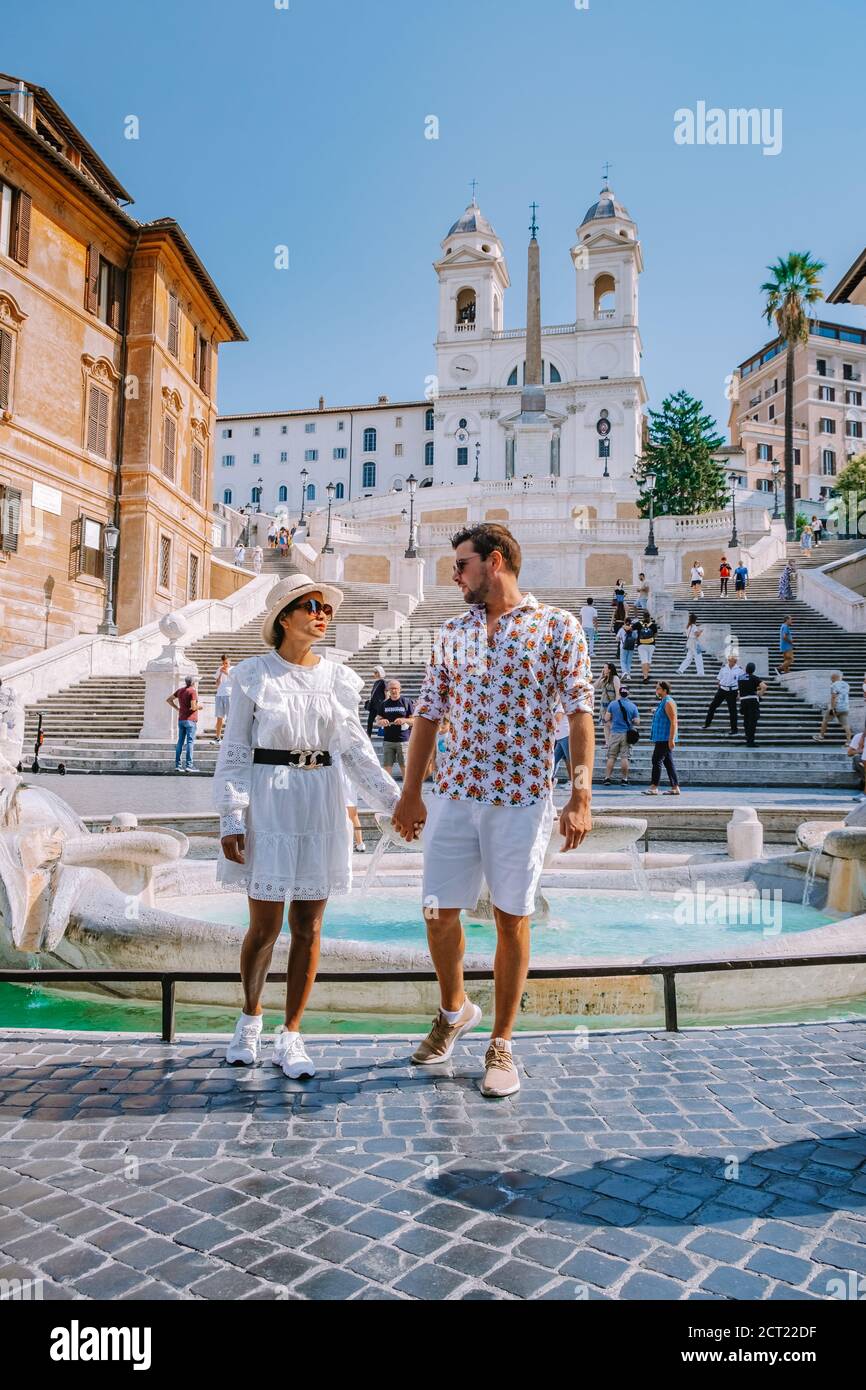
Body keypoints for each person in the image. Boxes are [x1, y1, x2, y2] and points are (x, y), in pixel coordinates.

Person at [391, 522, 594, 1099]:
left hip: (522, 797)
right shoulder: (451, 632)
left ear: (494, 561)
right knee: (437, 910)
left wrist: (580, 795)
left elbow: (580, 715)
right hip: (454, 792)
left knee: (512, 917)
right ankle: (455, 1011)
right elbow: (428, 713)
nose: (454, 575)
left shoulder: (557, 627)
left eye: (461, 564)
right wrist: (411, 791)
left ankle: (502, 1040)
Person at [215, 575, 403, 1075]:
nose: (322, 614)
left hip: (319, 797)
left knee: (309, 925)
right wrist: (232, 816)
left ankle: (292, 1034)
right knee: (263, 926)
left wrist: (395, 803)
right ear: (284, 616)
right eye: (311, 606)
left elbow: (358, 752)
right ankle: (249, 1019)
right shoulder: (253, 675)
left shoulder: (338, 678)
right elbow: (234, 751)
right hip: (269, 797)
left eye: (326, 609)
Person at [643, 680, 680, 796]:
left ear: (664, 690)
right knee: (668, 763)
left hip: (665, 738)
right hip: (661, 737)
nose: (656, 690)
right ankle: (675, 787)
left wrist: (671, 739)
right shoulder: (663, 701)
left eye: (658, 688)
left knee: (656, 760)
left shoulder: (668, 702)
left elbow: (674, 722)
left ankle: (654, 787)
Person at [376, 678, 414, 778]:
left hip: (403, 741)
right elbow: (378, 721)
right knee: (386, 769)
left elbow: (414, 721)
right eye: (391, 688)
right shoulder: (384, 704)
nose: (394, 690)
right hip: (388, 741)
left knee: (405, 768)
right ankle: (388, 792)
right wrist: (381, 721)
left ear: (400, 689)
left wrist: (404, 720)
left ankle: (406, 791)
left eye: (396, 688)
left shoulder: (406, 702)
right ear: (388, 690)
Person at [603, 685, 640, 785]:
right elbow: (637, 721)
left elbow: (606, 719)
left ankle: (607, 778)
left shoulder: (612, 704)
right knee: (624, 757)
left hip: (614, 733)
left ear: (619, 693)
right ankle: (624, 779)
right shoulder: (633, 706)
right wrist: (631, 720)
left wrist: (612, 724)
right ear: (628, 694)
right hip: (627, 735)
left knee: (611, 757)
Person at [704, 652, 746, 735]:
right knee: (712, 706)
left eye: (732, 661)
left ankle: (734, 729)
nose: (730, 662)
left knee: (732, 711)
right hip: (722, 689)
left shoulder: (740, 670)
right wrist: (719, 688)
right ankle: (707, 724)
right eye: (729, 660)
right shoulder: (723, 668)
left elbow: (742, 683)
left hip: (732, 691)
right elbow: (719, 679)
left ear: (735, 662)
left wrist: (739, 692)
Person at [167, 676, 200, 772]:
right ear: (193, 682)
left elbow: (169, 700)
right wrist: (200, 707)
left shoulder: (180, 690)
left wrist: (177, 708)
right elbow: (193, 707)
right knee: (190, 742)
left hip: (181, 719)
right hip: (190, 720)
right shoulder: (192, 691)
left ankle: (178, 765)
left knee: (180, 742)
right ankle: (189, 765)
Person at [814, 672, 851, 743]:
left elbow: (833, 697)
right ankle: (849, 741)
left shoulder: (833, 685)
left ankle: (821, 736)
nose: (831, 680)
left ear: (834, 678)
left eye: (831, 679)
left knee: (825, 720)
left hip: (837, 707)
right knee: (845, 724)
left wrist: (833, 708)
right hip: (845, 707)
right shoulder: (847, 685)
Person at [738, 662, 768, 747]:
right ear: (753, 670)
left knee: (746, 721)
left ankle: (748, 740)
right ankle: (751, 742)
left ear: (746, 668)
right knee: (752, 721)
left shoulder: (740, 678)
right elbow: (765, 686)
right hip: (752, 701)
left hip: (743, 701)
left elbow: (739, 691)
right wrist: (759, 694)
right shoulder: (754, 678)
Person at [594, 662, 621, 747]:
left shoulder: (615, 678)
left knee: (611, 723)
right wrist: (601, 676)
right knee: (605, 724)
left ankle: (614, 742)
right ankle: (607, 743)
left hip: (611, 704)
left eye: (605, 668)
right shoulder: (604, 679)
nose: (603, 669)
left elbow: (618, 692)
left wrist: (616, 705)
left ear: (609, 669)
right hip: (603, 705)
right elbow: (594, 686)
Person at [677, 612, 704, 676]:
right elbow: (696, 635)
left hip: (689, 643)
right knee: (698, 658)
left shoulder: (688, 626)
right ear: (695, 620)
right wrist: (701, 631)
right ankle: (700, 673)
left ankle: (680, 670)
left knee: (689, 658)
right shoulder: (694, 626)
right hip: (695, 643)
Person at [364, 665, 388, 738]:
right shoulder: (376, 682)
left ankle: (386, 734)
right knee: (370, 721)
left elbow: (386, 693)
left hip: (380, 705)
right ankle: (368, 736)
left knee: (382, 720)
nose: (374, 674)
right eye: (374, 672)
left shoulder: (383, 682)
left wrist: (386, 703)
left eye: (375, 672)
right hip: (373, 705)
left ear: (379, 673)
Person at [214, 655, 233, 741]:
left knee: (230, 717)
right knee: (219, 717)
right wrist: (219, 675)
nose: (224, 665)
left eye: (226, 663)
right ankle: (218, 737)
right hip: (219, 694)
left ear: (229, 661)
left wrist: (227, 673)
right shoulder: (219, 669)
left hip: (229, 694)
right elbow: (216, 682)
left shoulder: (233, 669)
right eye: (223, 663)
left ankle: (229, 736)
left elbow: (236, 681)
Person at [636, 612, 659, 682]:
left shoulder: (639, 624)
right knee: (648, 660)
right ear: (649, 617)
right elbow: (655, 635)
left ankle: (645, 677)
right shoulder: (653, 625)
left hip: (641, 644)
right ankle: (647, 674)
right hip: (651, 644)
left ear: (643, 617)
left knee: (644, 661)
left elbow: (630, 629)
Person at [553, 705, 571, 784]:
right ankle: (551, 779)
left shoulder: (561, 705)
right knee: (554, 760)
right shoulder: (559, 706)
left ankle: (574, 782)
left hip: (565, 735)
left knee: (571, 761)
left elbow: (557, 719)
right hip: (560, 737)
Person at [847, 728, 866, 800]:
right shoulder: (858, 736)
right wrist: (860, 751)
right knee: (858, 758)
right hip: (860, 761)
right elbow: (849, 753)